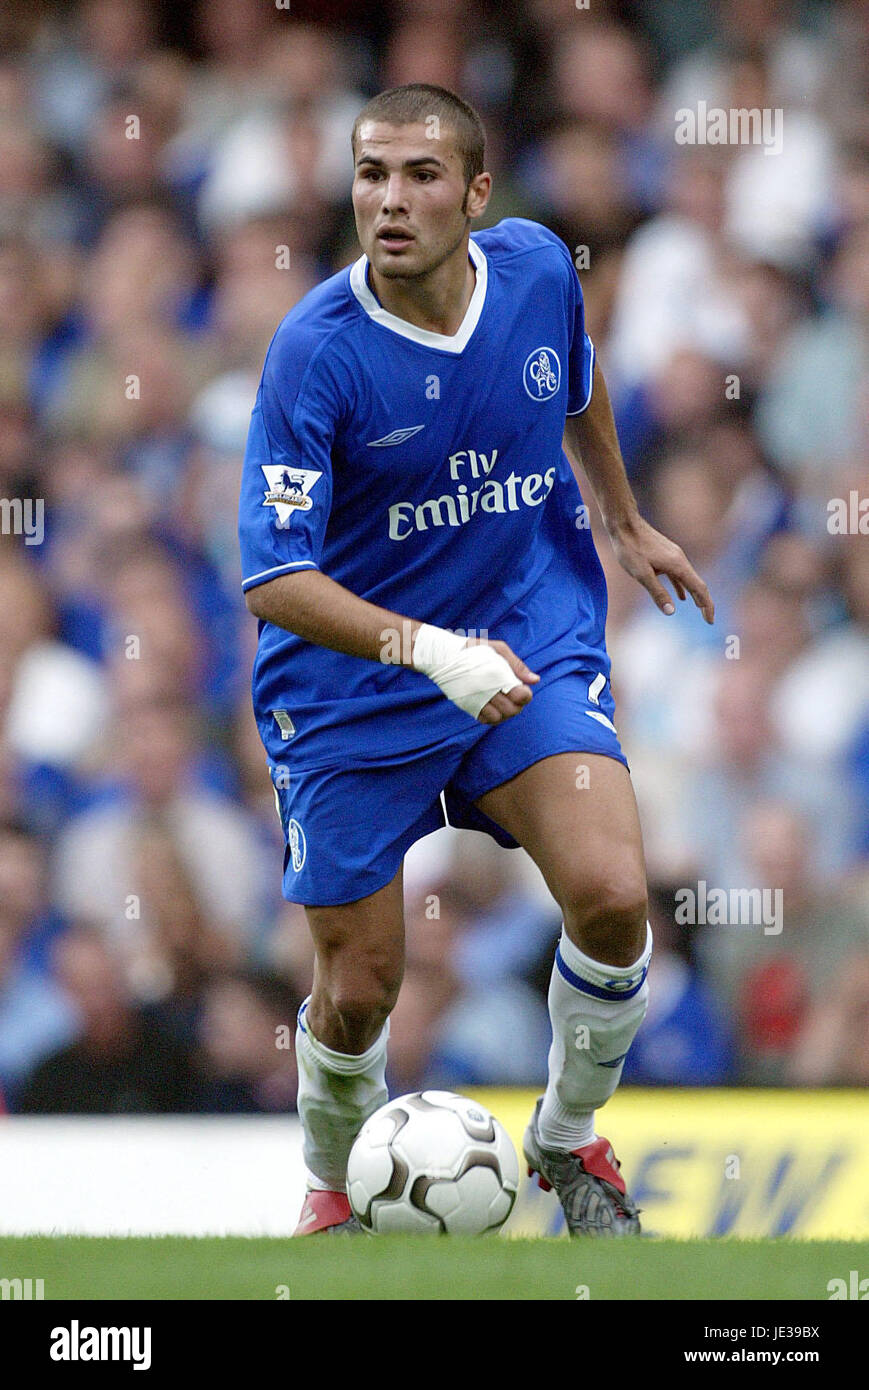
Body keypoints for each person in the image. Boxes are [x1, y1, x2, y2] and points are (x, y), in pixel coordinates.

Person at [238, 84, 714, 1237]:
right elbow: (273, 579)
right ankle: (328, 1180)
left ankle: (567, 1140)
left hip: (522, 633)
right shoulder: (316, 352)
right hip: (351, 686)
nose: (389, 202)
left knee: (607, 897)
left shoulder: (539, 269)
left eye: (418, 176)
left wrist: (616, 513)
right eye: (369, 176)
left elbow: (576, 377)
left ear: (476, 193)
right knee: (358, 993)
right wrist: (424, 651)